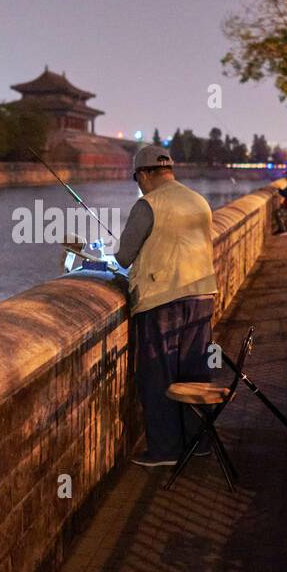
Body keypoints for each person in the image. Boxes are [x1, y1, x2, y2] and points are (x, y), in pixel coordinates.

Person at [114, 145, 218, 467]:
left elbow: (123, 257)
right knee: (193, 372)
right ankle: (199, 443)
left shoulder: (148, 205)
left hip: (162, 300)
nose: (138, 184)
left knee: (158, 376)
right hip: (202, 295)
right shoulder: (198, 200)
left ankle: (165, 450)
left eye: (137, 177)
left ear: (144, 174)